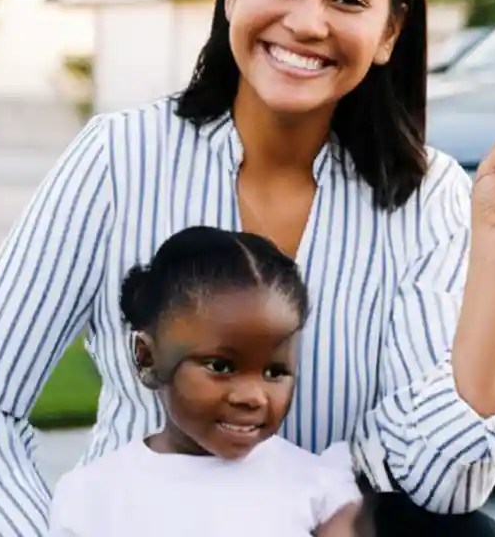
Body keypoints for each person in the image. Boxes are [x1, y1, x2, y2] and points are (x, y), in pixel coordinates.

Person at [0, 0, 495, 537]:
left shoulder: (425, 196)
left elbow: (444, 482)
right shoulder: (120, 156)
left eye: (347, 0)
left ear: (388, 34)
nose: (306, 21)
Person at [48, 226, 362, 536]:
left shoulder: (321, 491)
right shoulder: (92, 496)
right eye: (221, 366)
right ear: (146, 358)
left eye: (274, 372)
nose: (253, 397)